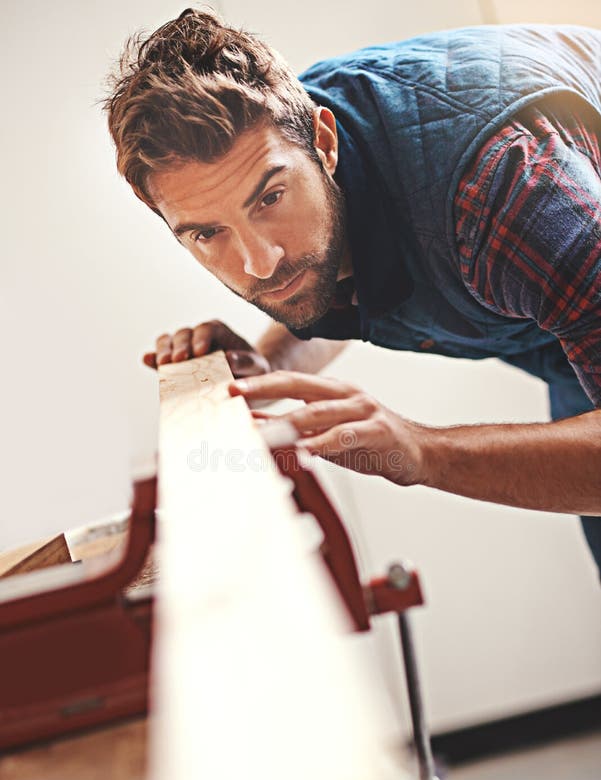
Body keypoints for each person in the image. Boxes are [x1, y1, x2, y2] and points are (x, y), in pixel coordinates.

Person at [104, 7, 601, 575]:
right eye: (207, 232)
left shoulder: (509, 191)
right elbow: (342, 288)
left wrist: (422, 450)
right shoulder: (286, 151)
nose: (259, 264)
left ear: (324, 143)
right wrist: (266, 366)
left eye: (270, 199)